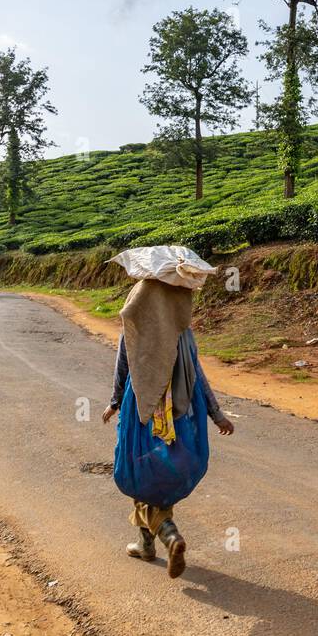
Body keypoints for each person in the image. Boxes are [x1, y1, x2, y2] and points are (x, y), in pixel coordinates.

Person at [101, 245, 234, 579]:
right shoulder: (182, 331)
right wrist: (216, 413)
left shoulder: (136, 326)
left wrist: (115, 401)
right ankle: (146, 544)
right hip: (183, 412)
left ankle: (169, 535)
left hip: (143, 411)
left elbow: (123, 367)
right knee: (162, 470)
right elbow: (199, 374)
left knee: (140, 471)